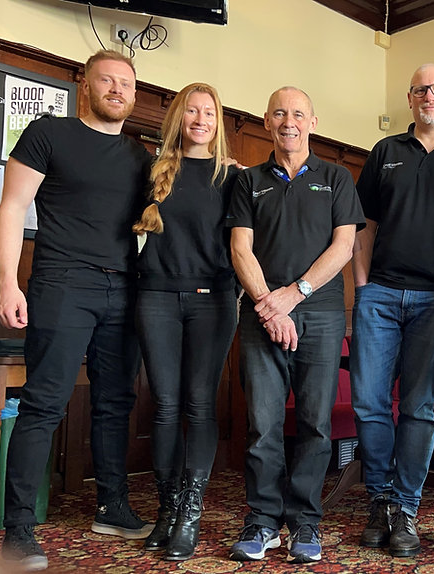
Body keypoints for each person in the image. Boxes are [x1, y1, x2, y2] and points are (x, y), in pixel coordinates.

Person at [0, 50, 153, 572]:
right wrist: (6, 284)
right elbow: (13, 207)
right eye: (107, 80)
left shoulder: (140, 155)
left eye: (126, 83)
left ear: (134, 92)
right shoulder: (48, 133)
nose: (117, 89)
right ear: (85, 84)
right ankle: (17, 526)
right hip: (62, 283)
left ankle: (113, 506)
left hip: (124, 288)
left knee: (114, 404)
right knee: (44, 403)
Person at [351, 63, 434, 557]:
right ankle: (379, 502)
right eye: (420, 89)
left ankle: (404, 509)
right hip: (380, 295)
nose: (429, 95)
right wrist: (362, 285)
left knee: (417, 407)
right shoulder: (385, 151)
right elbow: (363, 222)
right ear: (410, 100)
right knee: (368, 403)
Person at [226, 86, 364, 564]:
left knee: (315, 424)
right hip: (260, 314)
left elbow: (344, 246)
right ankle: (262, 521)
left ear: (313, 121)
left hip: (321, 315)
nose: (290, 121)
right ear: (266, 122)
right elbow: (240, 249)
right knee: (262, 424)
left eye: (298, 113)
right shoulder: (248, 182)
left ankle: (306, 523)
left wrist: (294, 294)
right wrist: (269, 305)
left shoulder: (338, 177)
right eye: (280, 113)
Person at [131, 83, 238, 561]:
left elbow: (249, 245)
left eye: (209, 113)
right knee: (164, 406)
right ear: (178, 117)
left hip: (213, 300)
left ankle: (190, 515)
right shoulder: (150, 169)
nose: (200, 119)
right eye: (192, 111)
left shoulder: (233, 177)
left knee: (199, 405)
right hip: (155, 297)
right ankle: (167, 510)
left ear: (218, 122)